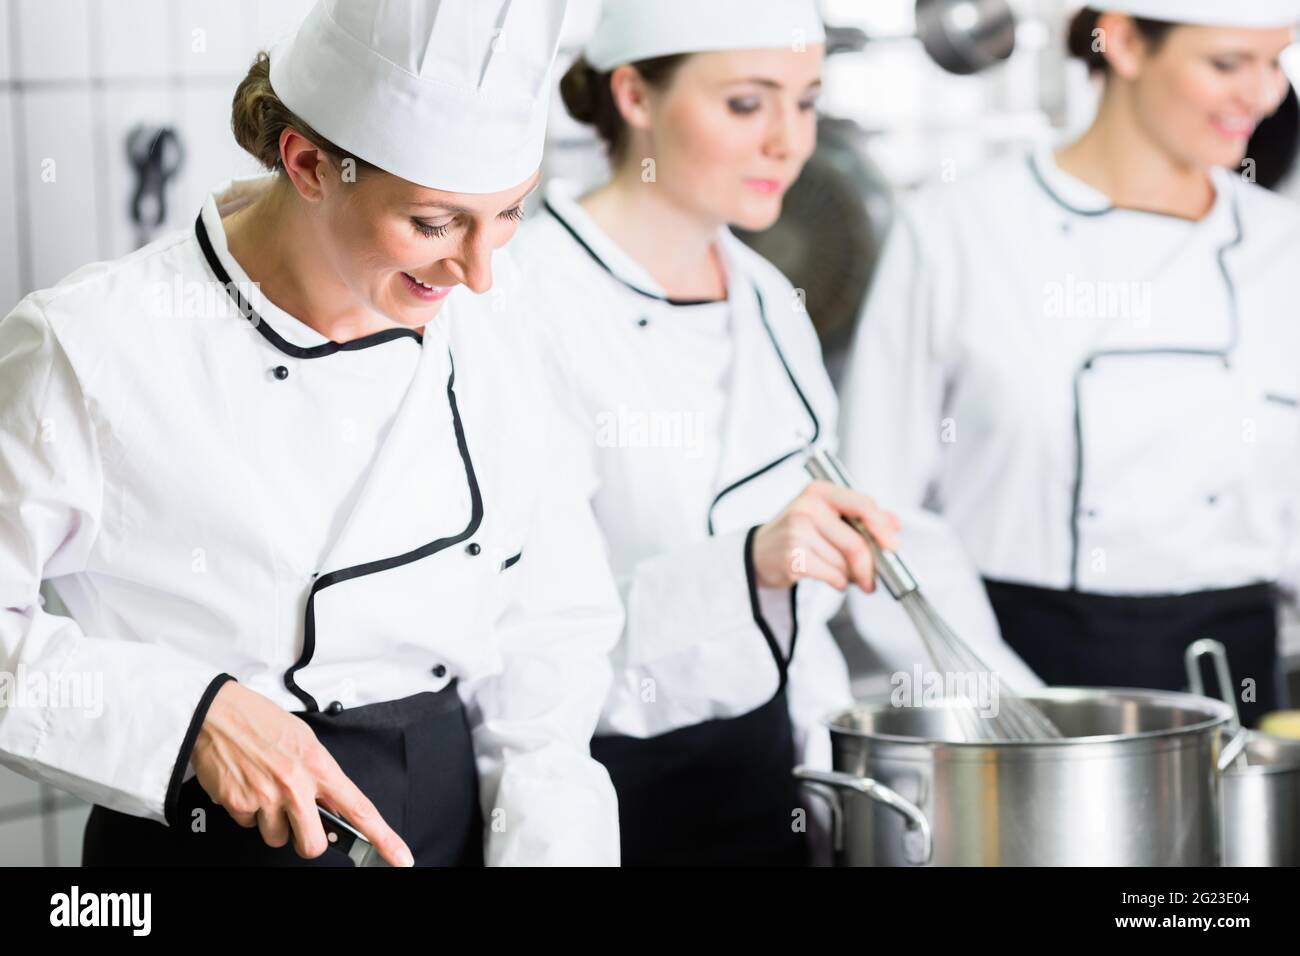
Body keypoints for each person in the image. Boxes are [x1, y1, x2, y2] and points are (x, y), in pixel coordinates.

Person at [0, 0, 623, 866]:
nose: (480, 272)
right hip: (207, 840)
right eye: (435, 224)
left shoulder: (507, 322)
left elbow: (549, 632)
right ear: (308, 163)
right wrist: (192, 712)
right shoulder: (95, 344)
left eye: (511, 213)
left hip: (448, 821)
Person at [511, 0, 906, 866]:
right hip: (601, 800)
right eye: (746, 102)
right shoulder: (524, 299)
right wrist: (749, 564)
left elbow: (798, 627)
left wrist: (828, 778)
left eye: (805, 102)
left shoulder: (768, 298)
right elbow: (520, 644)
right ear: (635, 95)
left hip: (764, 786)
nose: (789, 142)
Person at [839, 0, 1300, 727]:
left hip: (1230, 684)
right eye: (1227, 63)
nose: (1264, 94)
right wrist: (1002, 712)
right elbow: (876, 507)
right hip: (1010, 669)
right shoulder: (964, 230)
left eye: (1275, 61)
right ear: (1121, 41)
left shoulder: (1283, 249)